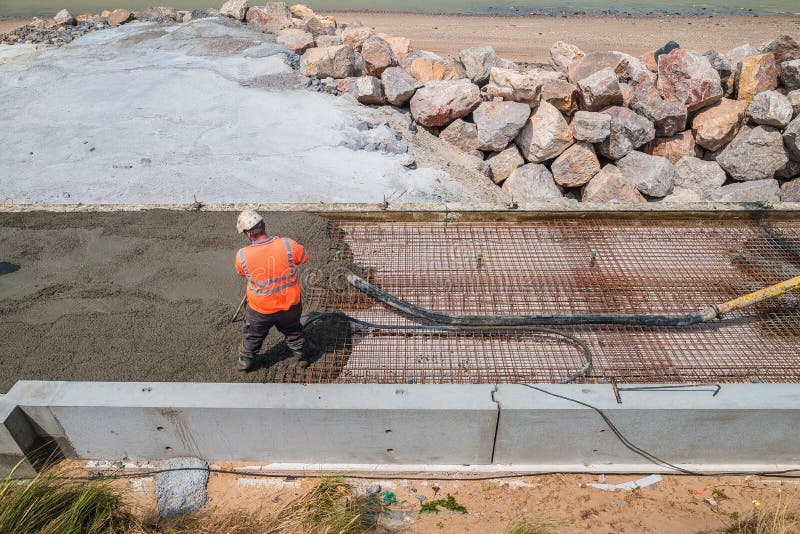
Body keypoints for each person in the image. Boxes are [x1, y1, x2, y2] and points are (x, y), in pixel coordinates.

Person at [234, 209, 309, 371]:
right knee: (293, 330)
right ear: (264, 225)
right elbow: (304, 258)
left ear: (248, 234)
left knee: (253, 335)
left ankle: (246, 361)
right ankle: (299, 353)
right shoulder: (288, 244)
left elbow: (242, 273)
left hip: (260, 310)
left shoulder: (242, 255)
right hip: (289, 306)